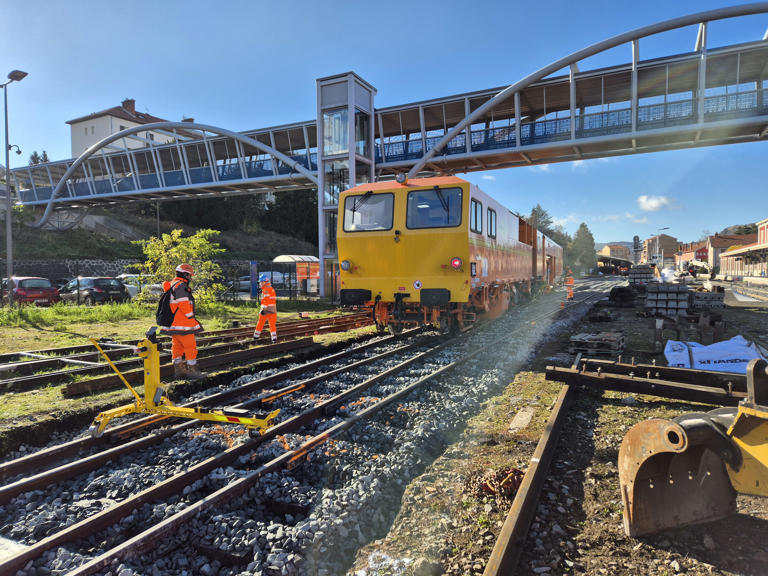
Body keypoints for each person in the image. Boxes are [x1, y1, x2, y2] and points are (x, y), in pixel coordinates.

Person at [160, 263, 206, 380]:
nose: (190, 278)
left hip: (174, 324)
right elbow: (184, 303)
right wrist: (191, 316)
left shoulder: (173, 284)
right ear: (185, 274)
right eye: (189, 275)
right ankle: (193, 372)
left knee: (177, 346)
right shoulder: (181, 286)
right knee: (190, 346)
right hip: (184, 323)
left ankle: (179, 371)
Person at [253, 273, 278, 343]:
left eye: (260, 282)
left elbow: (266, 300)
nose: (260, 284)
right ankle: (274, 339)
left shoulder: (265, 289)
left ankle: (256, 337)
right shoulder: (271, 288)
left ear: (264, 282)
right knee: (272, 324)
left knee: (260, 323)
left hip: (266, 310)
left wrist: (263, 309)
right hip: (273, 310)